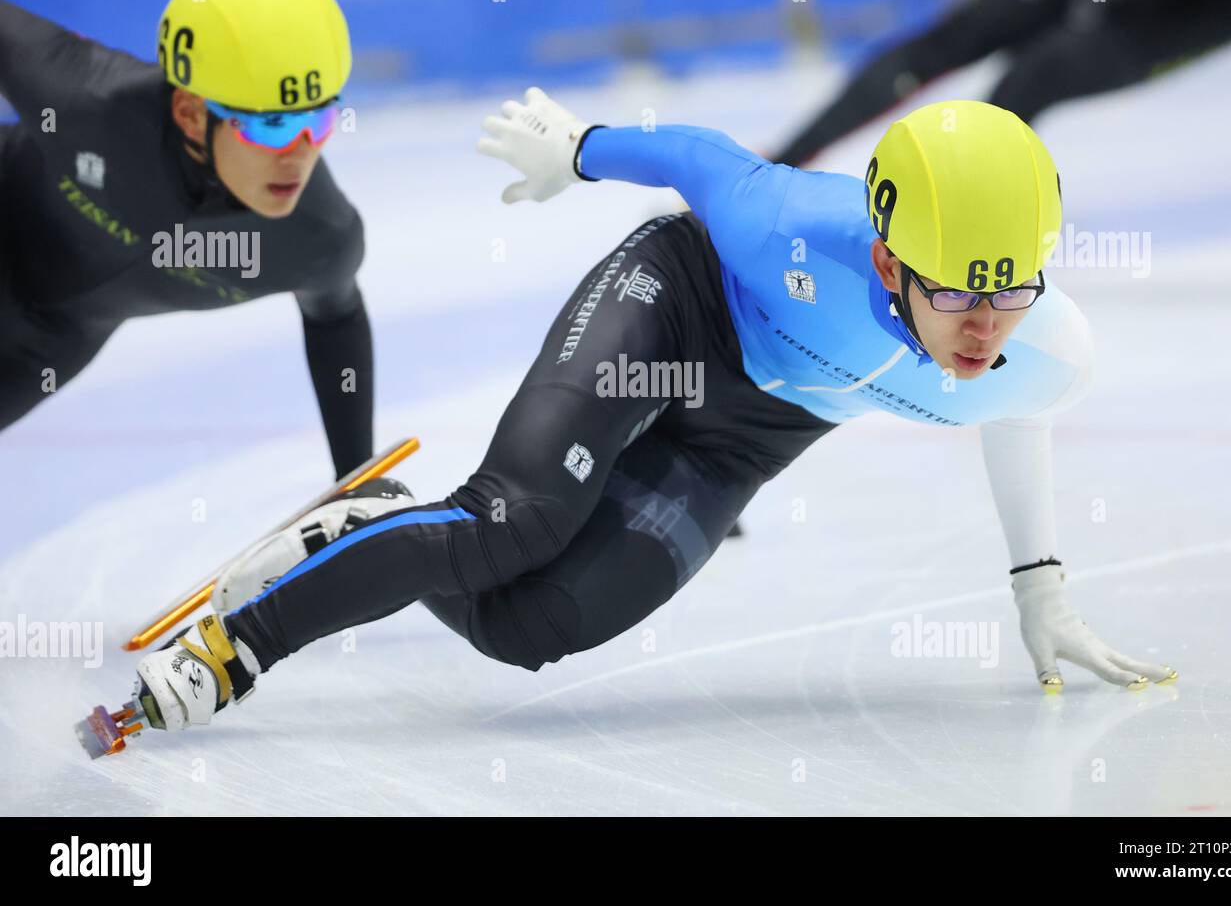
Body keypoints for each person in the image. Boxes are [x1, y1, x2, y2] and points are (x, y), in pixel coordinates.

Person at [130, 91, 1176, 734]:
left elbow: (1015, 399)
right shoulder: (790, 226)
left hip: (749, 436)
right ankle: (237, 648)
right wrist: (575, 146)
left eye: (1011, 293)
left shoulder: (1039, 345)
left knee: (528, 624)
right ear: (889, 256)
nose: (983, 328)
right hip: (677, 309)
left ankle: (372, 516)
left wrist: (1036, 583)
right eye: (955, 292)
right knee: (511, 520)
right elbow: (698, 159)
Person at [0, 0, 373, 480]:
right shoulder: (88, 100)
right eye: (271, 125)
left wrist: (354, 483)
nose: (299, 154)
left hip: (52, 336)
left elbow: (336, 318)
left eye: (321, 118)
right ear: (191, 114)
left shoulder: (319, 237)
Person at [772, 0, 1231, 168]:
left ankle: (954, 227)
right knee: (957, 39)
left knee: (1032, 79)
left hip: (1198, 3)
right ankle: (774, 168)